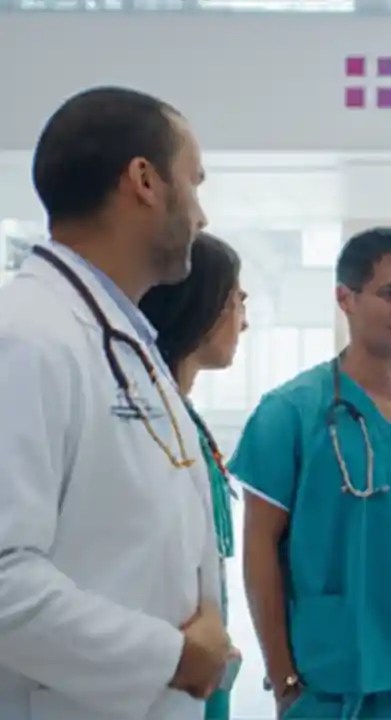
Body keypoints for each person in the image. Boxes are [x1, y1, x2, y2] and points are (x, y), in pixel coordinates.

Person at [0, 86, 233, 718]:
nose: (203, 215)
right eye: (195, 181)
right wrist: (174, 656)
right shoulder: (28, 338)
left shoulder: (120, 337)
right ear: (145, 181)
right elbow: (4, 578)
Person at [230, 226, 391, 720]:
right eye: (390, 293)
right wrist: (281, 676)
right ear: (346, 298)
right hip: (333, 678)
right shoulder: (291, 412)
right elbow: (259, 549)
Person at [140, 231, 251, 720]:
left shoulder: (181, 416)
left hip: (199, 658)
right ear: (201, 306)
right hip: (162, 661)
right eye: (235, 301)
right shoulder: (146, 419)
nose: (243, 322)